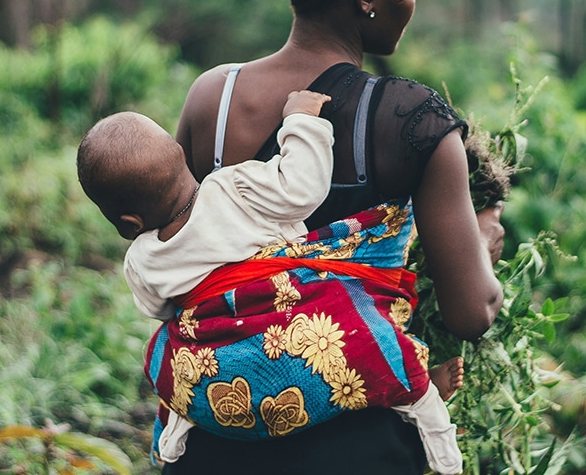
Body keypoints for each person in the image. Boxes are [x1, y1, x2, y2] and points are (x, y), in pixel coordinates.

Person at [156, 0, 505, 475]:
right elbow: (471, 313)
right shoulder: (415, 122)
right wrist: (484, 241)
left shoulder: (211, 99)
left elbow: (179, 259)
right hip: (362, 446)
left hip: (217, 435)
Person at [75, 91, 468, 471]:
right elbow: (302, 188)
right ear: (181, 157)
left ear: (128, 223)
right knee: (369, 339)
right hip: (293, 324)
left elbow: (162, 310)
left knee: (168, 356)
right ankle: (427, 414)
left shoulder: (142, 259)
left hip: (223, 365)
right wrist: (301, 120)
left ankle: (178, 427)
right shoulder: (233, 187)